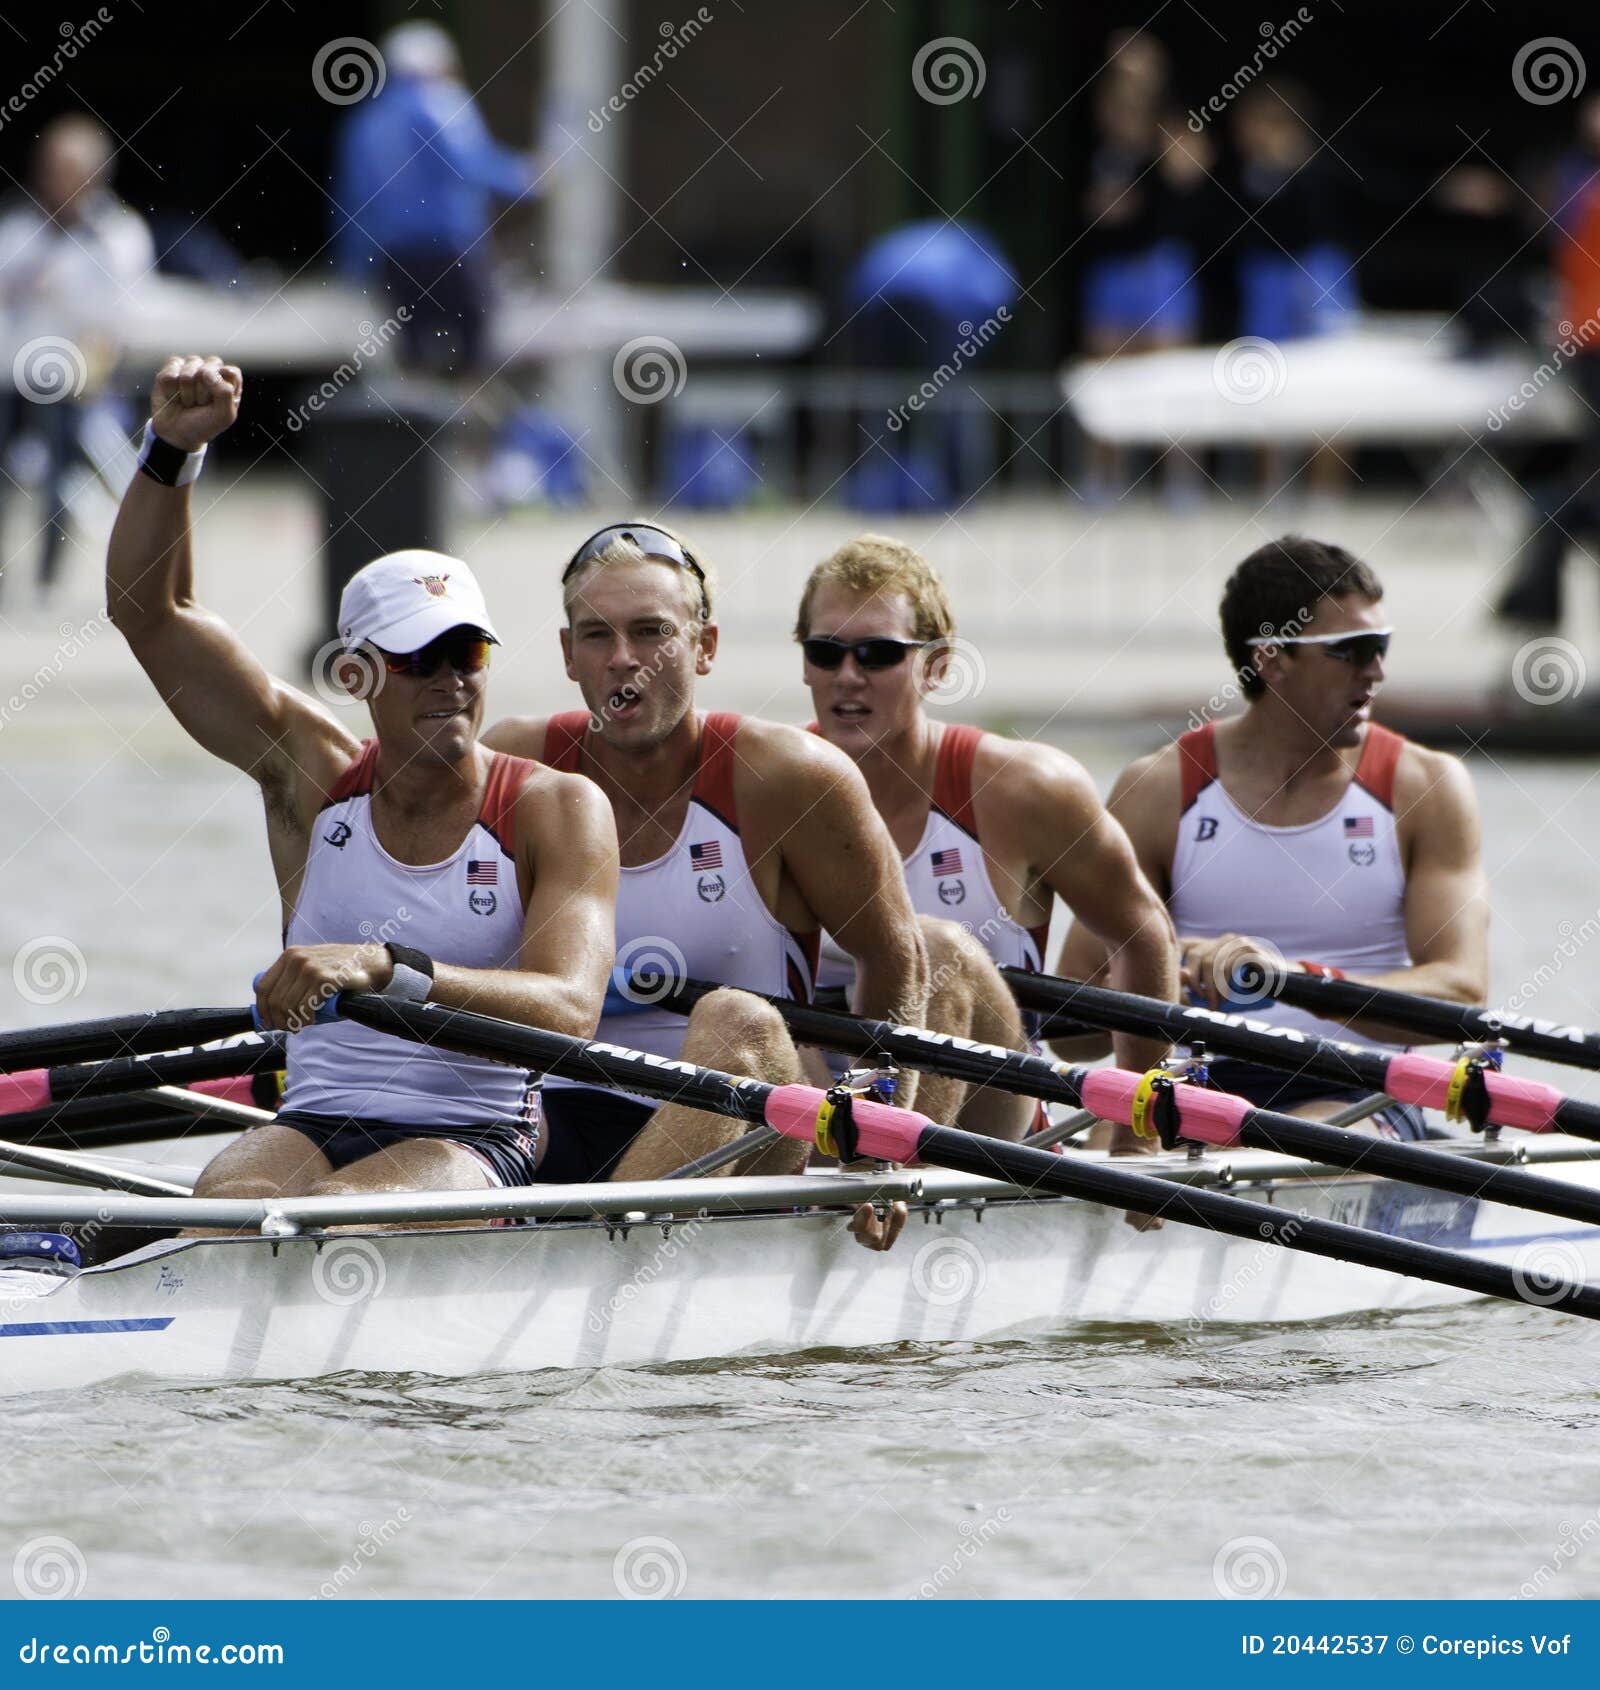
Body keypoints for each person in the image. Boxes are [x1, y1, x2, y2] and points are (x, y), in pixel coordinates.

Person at [105, 355, 618, 1209]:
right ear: (356, 674)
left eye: (467, 653)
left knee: (342, 1220)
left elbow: (571, 1010)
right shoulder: (312, 777)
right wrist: (172, 449)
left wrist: (387, 968)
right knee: (227, 1216)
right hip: (312, 1117)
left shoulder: (553, 806)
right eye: (419, 658)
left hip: (475, 1133)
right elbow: (147, 613)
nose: (450, 680)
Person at [483, 523, 931, 1231]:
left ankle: (601, 1255)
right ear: (569, 655)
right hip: (549, 1118)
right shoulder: (515, 764)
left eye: (652, 632)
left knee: (735, 1020)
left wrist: (875, 1147)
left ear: (705, 647)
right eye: (597, 636)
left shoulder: (789, 779)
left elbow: (895, 958)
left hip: (746, 1128)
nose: (623, 659)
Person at [1059, 535, 1489, 1137]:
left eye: (1381, 645)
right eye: (1353, 649)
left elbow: (1461, 994)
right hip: (1191, 1084)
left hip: (1356, 1090)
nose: (1377, 670)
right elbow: (1070, 1033)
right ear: (1271, 657)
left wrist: (1290, 980)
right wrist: (1159, 975)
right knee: (1115, 1144)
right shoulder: (1157, 789)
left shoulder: (1425, 787)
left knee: (1301, 1151)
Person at [796, 534, 1178, 1148]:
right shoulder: (767, 782)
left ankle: (887, 1169)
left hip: (990, 1110)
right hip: (817, 1105)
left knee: (935, 949)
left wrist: (1137, 1140)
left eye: (877, 654)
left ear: (937, 666)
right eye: (826, 652)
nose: (847, 676)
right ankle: (846, 1161)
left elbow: (1142, 932)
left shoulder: (1024, 788)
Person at [331, 21, 547, 377]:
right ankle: (467, 402)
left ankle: (418, 406)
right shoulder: (443, 103)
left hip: (394, 260)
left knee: (414, 359)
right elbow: (472, 165)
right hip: (451, 254)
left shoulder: (364, 121)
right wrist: (532, 177)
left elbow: (351, 201)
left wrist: (353, 268)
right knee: (475, 353)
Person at [0, 115, 154, 597]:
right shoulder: (17, 226)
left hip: (74, 375)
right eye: (51, 168)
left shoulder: (118, 234)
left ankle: (48, 578)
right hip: (10, 372)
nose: (57, 181)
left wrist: (60, 292)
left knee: (61, 480)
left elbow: (126, 310)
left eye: (69, 170)